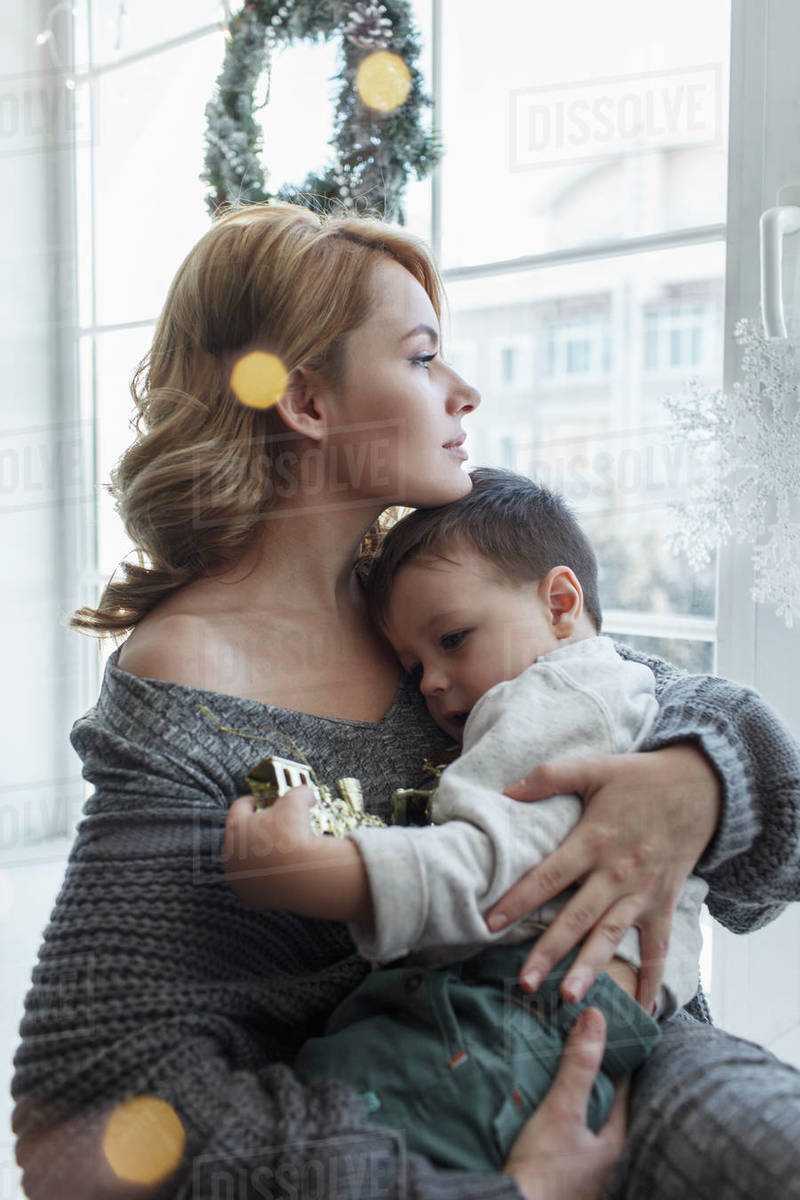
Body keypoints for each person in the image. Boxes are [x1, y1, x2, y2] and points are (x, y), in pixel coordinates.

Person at [11, 201, 800, 1200]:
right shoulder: (190, 688)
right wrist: (507, 1195)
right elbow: (80, 1124)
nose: (462, 392)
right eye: (423, 359)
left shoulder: (422, 586)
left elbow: (747, 801)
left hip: (634, 1038)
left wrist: (696, 780)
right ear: (305, 402)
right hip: (417, 1107)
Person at [222, 466, 709, 1172]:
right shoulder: (614, 694)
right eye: (413, 665)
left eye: (452, 640)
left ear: (560, 603)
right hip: (545, 1012)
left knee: (314, 1129)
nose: (433, 684)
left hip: (522, 1010)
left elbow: (490, 879)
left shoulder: (561, 695)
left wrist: (299, 873)